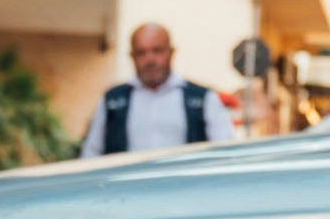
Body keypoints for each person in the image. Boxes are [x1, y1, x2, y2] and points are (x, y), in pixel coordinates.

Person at [82, 21, 240, 156]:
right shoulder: (113, 100)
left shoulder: (203, 98)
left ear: (171, 52)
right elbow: (92, 153)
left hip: (185, 189)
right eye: (141, 53)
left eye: (157, 51)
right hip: (125, 189)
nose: (150, 59)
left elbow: (223, 150)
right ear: (132, 56)